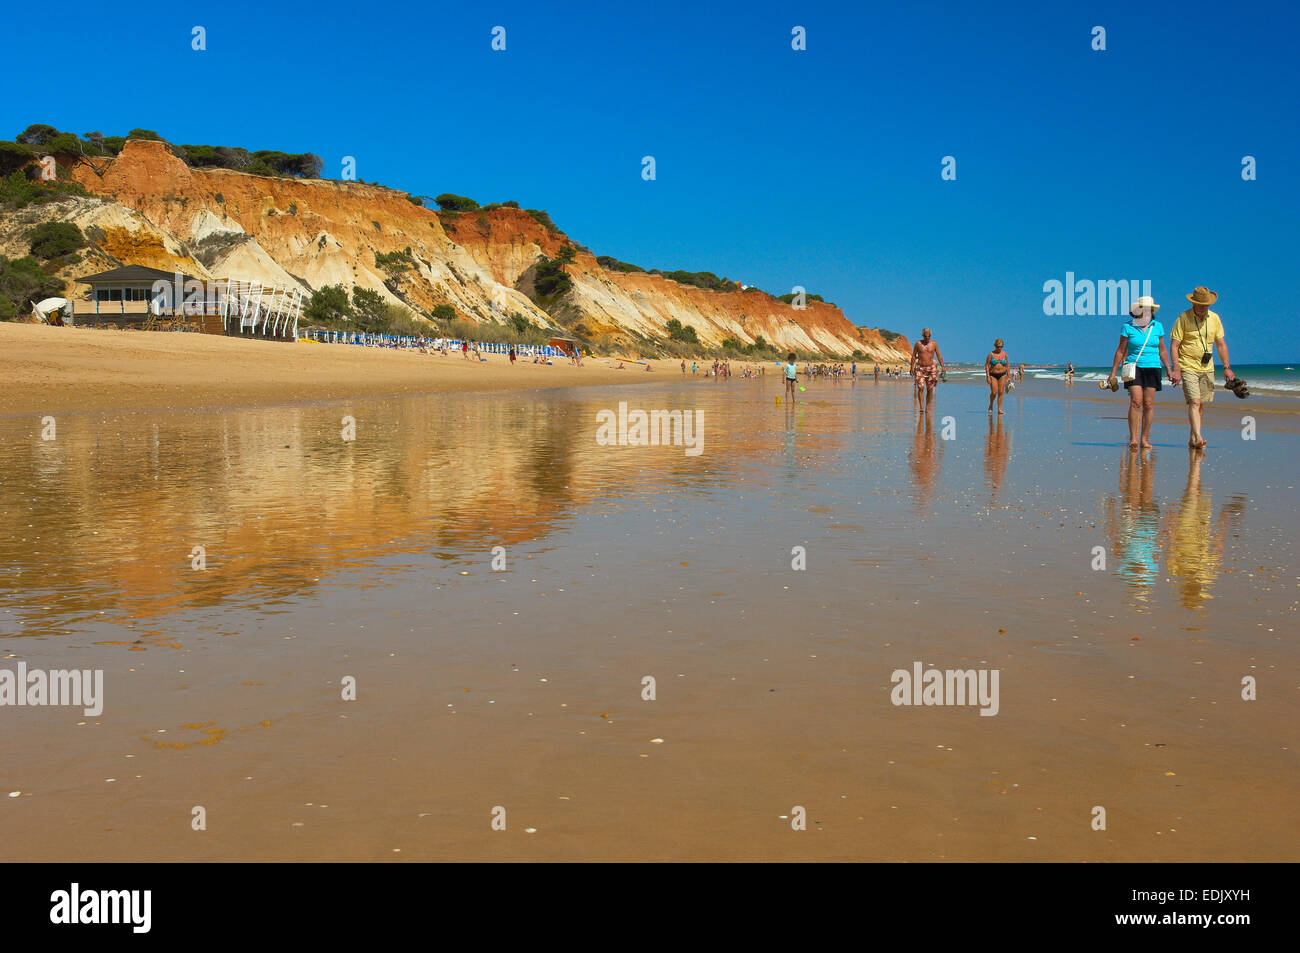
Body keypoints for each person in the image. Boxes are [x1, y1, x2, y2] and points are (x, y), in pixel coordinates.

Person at [1169, 286, 1235, 450]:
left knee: (1201, 405)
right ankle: (1199, 437)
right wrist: (1176, 368)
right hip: (1187, 365)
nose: (1204, 307)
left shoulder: (1215, 318)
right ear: (1194, 304)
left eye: (1206, 304)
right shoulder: (1183, 318)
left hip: (1207, 367)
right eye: (1200, 304)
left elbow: (1221, 344)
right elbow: (1174, 345)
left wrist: (1227, 367)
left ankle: (1193, 438)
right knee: (1195, 401)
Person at [1106, 295, 1173, 450]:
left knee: (1149, 404)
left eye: (1149, 309)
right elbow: (1120, 351)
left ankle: (1144, 439)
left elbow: (1162, 350)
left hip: (1153, 367)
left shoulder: (1158, 326)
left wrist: (1169, 369)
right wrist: (1113, 373)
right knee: (1136, 401)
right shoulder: (1127, 327)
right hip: (1133, 366)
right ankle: (1133, 438)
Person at [909, 327, 946, 413]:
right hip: (920, 368)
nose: (927, 338)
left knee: (930, 388)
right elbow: (914, 356)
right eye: (926, 336)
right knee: (921, 387)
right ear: (923, 335)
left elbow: (939, 355)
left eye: (929, 336)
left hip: (931, 368)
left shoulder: (934, 344)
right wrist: (911, 367)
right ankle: (921, 407)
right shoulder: (918, 344)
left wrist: (943, 367)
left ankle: (927, 407)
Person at [984, 338, 1012, 415]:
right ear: (994, 346)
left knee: (1000, 392)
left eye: (1001, 346)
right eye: (998, 346)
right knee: (994, 392)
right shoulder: (991, 354)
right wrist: (987, 376)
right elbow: (986, 365)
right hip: (993, 375)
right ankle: (991, 405)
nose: (999, 348)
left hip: (1003, 374)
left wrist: (1009, 376)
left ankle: (999, 409)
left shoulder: (1005, 354)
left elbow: (1007, 365)